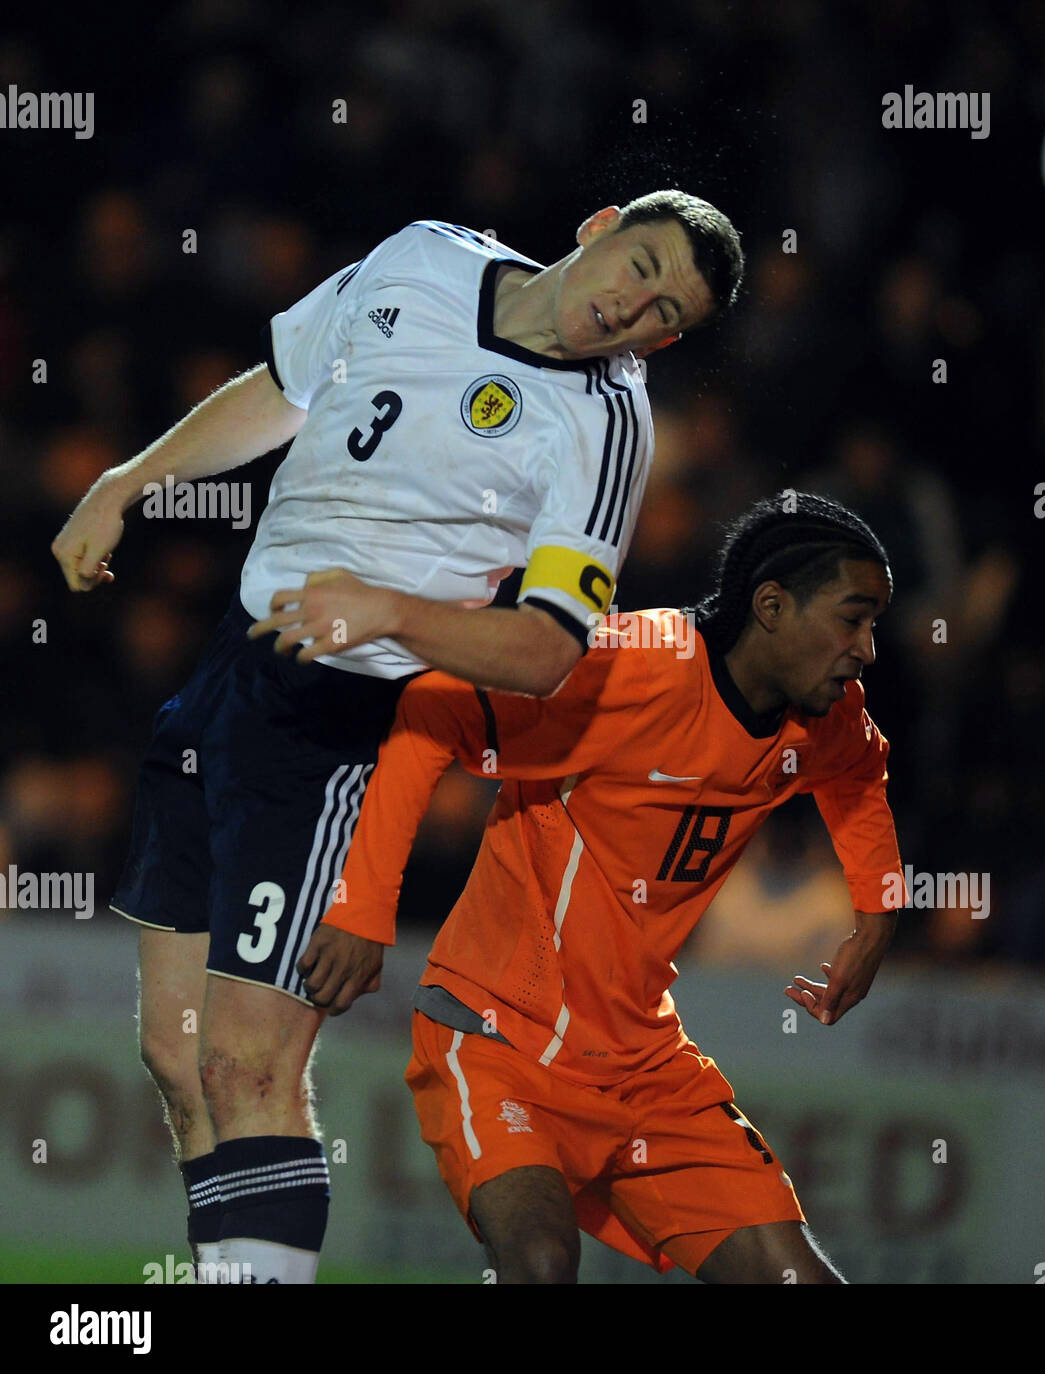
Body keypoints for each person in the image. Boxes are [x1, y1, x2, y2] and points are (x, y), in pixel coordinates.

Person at [49, 192, 743, 1284]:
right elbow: (283, 391)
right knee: (179, 1056)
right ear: (600, 225)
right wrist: (129, 480)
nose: (631, 308)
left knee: (248, 1061)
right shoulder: (423, 257)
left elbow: (550, 648)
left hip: (347, 721)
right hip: (232, 672)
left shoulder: (603, 425)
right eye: (640, 265)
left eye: (664, 312)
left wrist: (395, 614)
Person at [309, 493, 902, 1282]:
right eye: (852, 618)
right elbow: (432, 709)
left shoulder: (824, 721)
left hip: (645, 1063)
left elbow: (861, 773)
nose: (866, 649)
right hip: (496, 1033)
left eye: (873, 626)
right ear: (770, 606)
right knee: (541, 1260)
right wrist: (361, 907)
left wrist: (878, 911)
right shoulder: (625, 669)